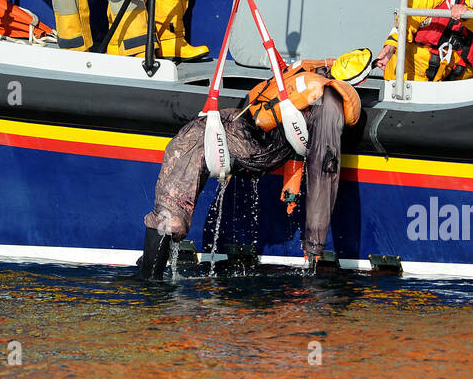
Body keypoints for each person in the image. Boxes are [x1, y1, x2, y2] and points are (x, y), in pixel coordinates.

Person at [138, 50, 370, 278]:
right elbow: (323, 171)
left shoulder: (317, 89)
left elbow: (322, 169)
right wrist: (315, 245)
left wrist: (314, 245)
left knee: (176, 185)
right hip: (244, 138)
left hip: (241, 138)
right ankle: (153, 271)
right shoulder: (323, 91)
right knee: (176, 188)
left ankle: (150, 272)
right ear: (360, 81)